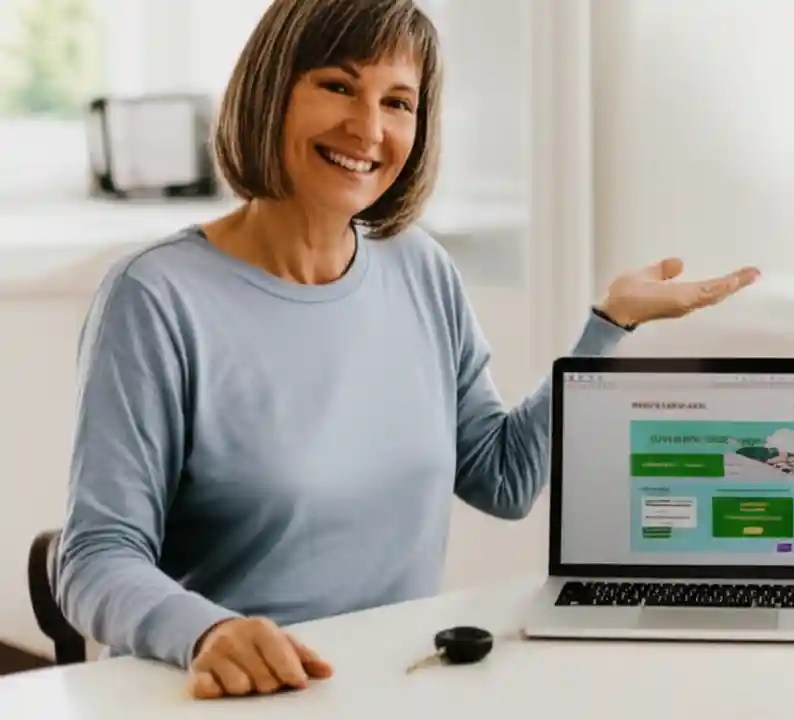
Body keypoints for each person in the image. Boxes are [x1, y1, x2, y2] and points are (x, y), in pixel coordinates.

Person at [55, 0, 758, 701]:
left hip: (393, 686)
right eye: (337, 85)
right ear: (271, 90)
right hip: (228, 694)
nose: (368, 128)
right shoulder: (155, 297)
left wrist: (608, 326)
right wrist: (209, 633)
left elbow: (503, 479)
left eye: (398, 102)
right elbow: (93, 559)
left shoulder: (419, 268)